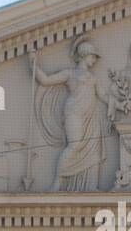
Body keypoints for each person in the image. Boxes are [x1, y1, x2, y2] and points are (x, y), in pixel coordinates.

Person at [28, 42, 109, 191]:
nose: (95, 60)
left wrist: (118, 103)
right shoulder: (70, 73)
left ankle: (91, 185)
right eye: (93, 56)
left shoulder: (93, 78)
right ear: (84, 55)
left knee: (93, 149)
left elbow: (103, 95)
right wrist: (33, 63)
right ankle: (57, 182)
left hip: (91, 118)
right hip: (74, 114)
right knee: (74, 145)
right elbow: (45, 80)